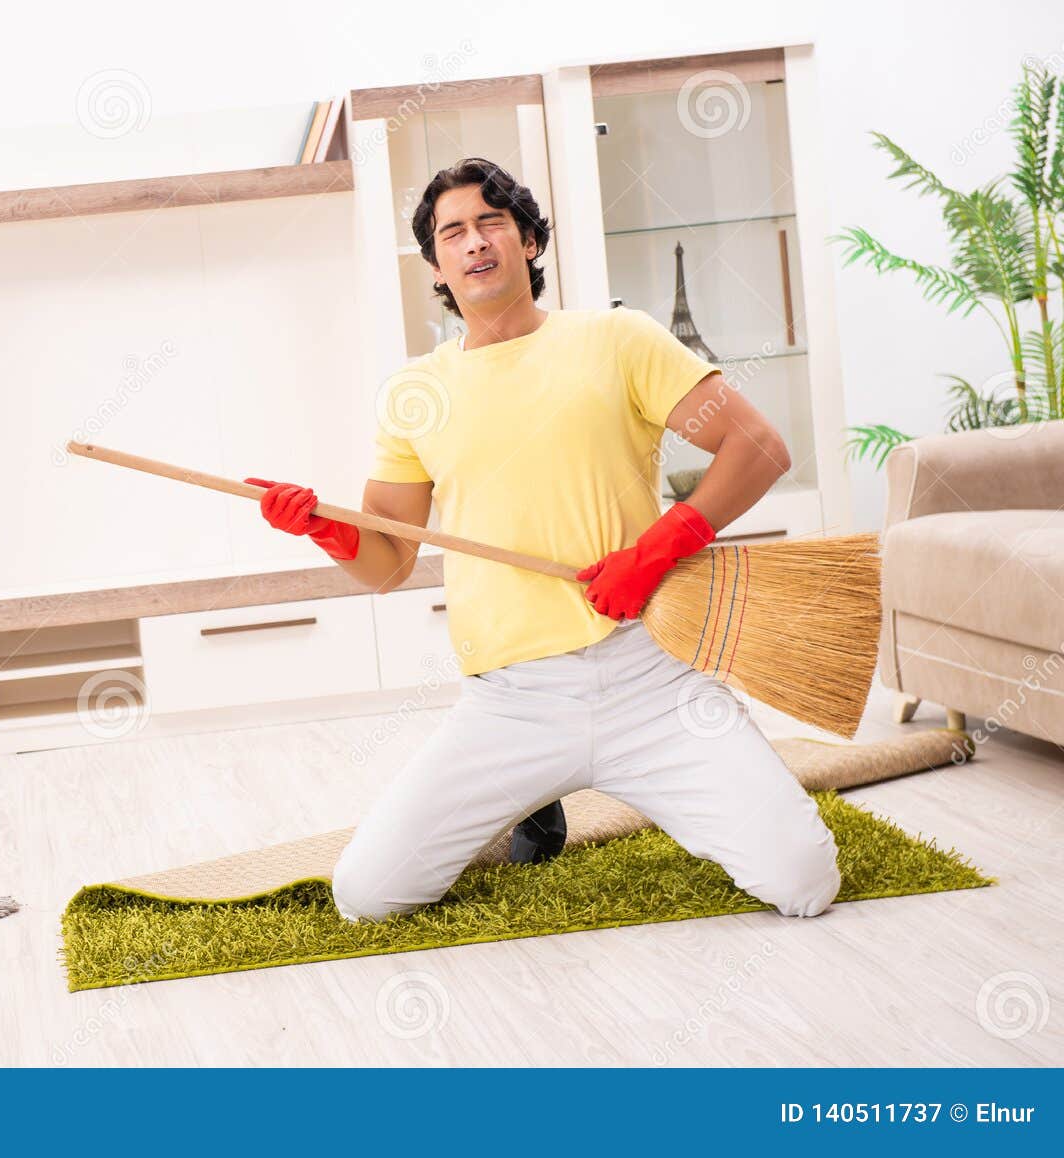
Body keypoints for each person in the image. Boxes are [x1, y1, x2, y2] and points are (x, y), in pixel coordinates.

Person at [246, 157, 840, 922]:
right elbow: (387, 562)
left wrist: (654, 551)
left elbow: (757, 448)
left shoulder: (619, 340)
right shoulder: (414, 395)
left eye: (492, 221)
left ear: (528, 240)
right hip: (513, 703)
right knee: (366, 896)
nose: (474, 241)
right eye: (451, 231)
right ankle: (533, 801)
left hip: (654, 680)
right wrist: (324, 529)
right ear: (436, 265)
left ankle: (630, 787)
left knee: (804, 882)